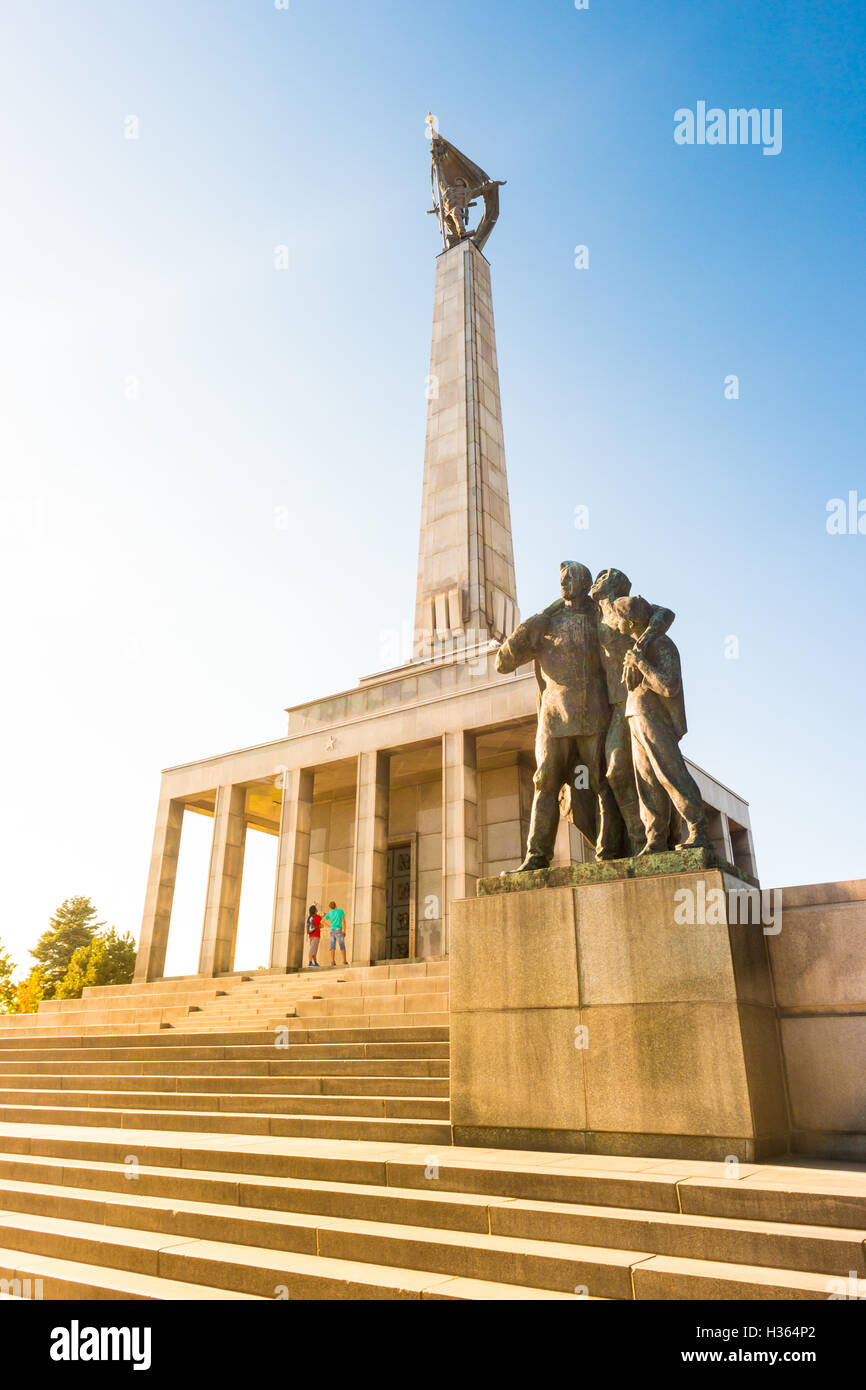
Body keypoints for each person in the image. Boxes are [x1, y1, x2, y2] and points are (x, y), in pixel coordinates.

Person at [495, 560, 615, 868]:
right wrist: (532, 624)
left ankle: (611, 852)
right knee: (544, 783)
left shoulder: (599, 617)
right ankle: (537, 856)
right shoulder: (546, 622)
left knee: (602, 782)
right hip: (554, 718)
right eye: (561, 580)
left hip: (594, 716)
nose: (563, 584)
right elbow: (503, 663)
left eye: (569, 579)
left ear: (585, 583)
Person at [612, 595, 712, 854]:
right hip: (635, 714)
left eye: (619, 617)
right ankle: (655, 838)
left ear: (631, 621)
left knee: (670, 772)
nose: (615, 622)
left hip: (654, 715)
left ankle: (698, 828)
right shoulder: (638, 645)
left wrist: (640, 663)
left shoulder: (661, 645)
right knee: (646, 779)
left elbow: (669, 686)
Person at [323, 901, 348, 966]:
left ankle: (333, 961)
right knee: (342, 945)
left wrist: (329, 926)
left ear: (330, 907)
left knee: (332, 946)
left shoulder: (329, 913)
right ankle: (344, 961)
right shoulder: (340, 911)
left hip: (332, 930)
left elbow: (321, 921)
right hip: (338, 930)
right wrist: (344, 931)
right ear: (336, 905)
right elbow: (343, 922)